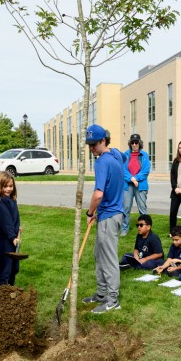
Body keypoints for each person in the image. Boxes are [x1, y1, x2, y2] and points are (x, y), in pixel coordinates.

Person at [83, 124, 125, 313]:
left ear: (103, 141)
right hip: (111, 214)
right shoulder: (116, 155)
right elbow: (122, 156)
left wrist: (90, 213)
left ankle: (113, 300)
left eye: (94, 144)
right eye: (89, 145)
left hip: (109, 215)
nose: (91, 149)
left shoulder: (101, 163)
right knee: (99, 255)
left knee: (108, 258)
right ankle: (101, 294)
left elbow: (98, 194)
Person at [0, 172, 21, 285]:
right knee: (6, 269)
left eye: (11, 186)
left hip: (12, 238)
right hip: (4, 241)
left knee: (14, 268)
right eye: (5, 186)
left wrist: (18, 228)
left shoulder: (12, 200)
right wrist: (13, 237)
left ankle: (11, 290)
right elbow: (6, 222)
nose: (8, 189)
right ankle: (3, 292)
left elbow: (14, 217)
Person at [121, 133, 151, 236]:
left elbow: (146, 170)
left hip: (140, 185)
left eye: (136, 142)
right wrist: (132, 179)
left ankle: (145, 230)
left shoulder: (144, 155)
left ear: (139, 143)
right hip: (128, 185)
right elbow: (123, 169)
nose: (134, 144)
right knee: (126, 208)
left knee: (142, 209)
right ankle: (124, 229)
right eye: (132, 142)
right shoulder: (125, 155)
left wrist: (136, 178)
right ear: (130, 143)